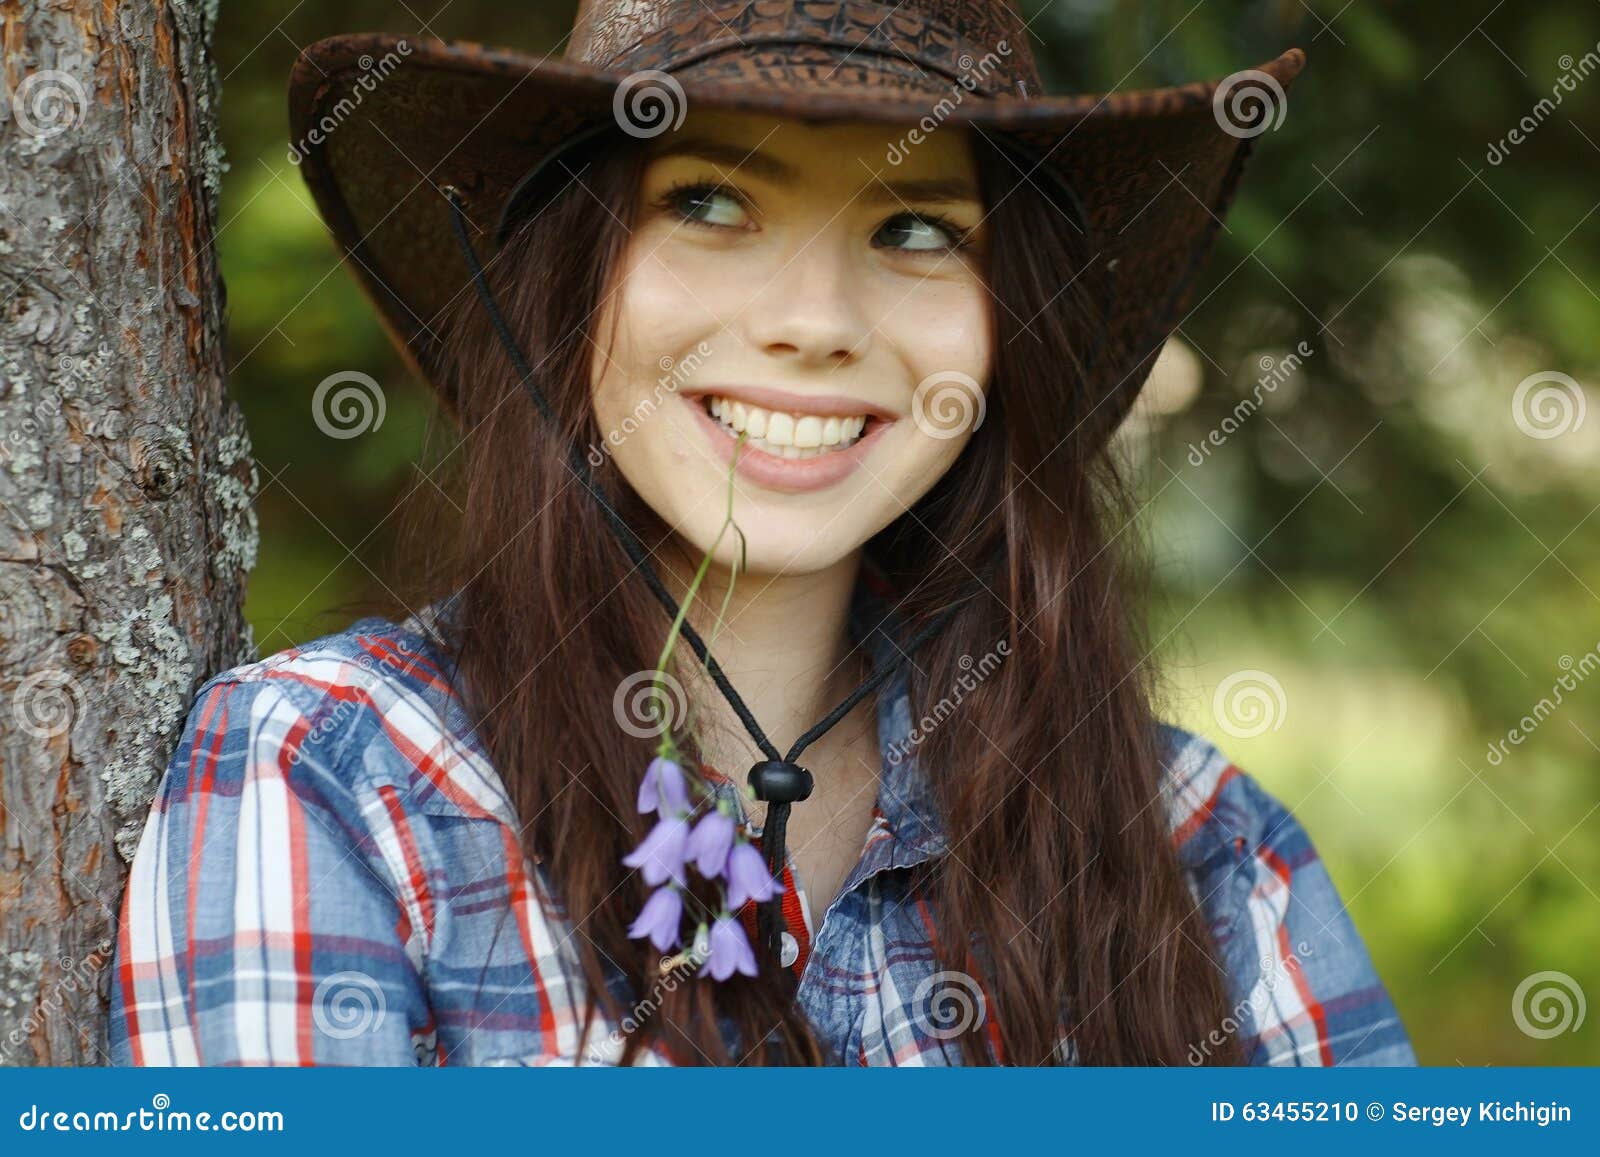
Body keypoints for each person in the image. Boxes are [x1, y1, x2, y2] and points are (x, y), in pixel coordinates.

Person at [109, 0, 1416, 1067]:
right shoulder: (342, 780)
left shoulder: (1209, 854)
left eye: (914, 228)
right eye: (712, 203)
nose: (813, 318)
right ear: (571, 278)